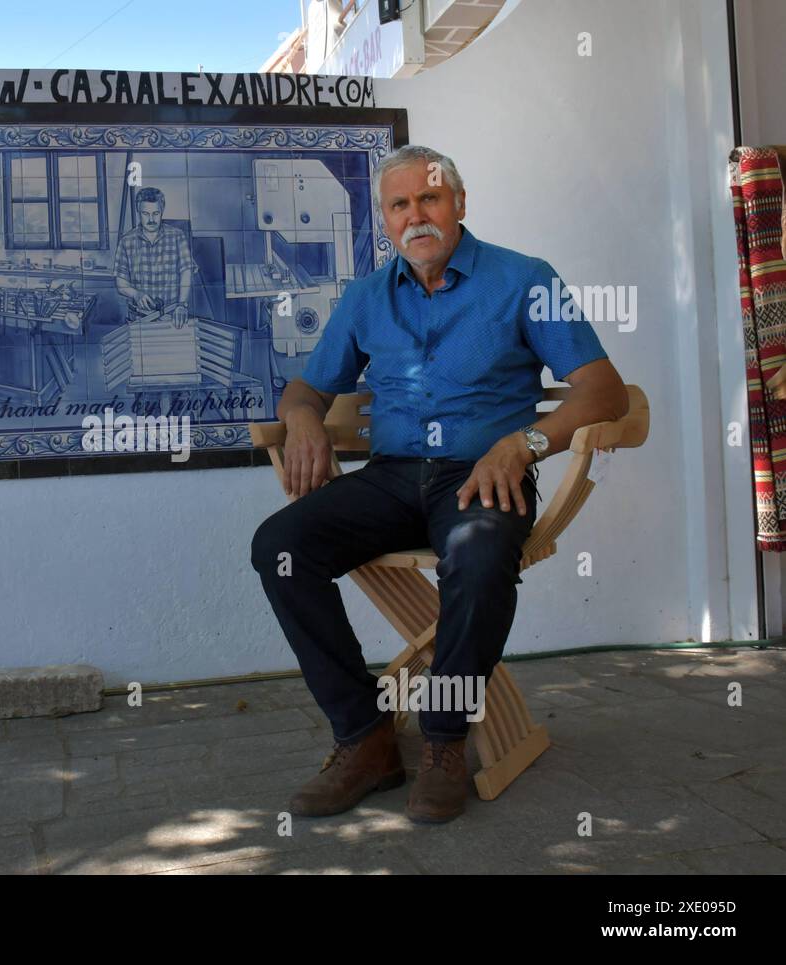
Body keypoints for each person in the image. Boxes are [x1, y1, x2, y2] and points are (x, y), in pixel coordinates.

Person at [251, 144, 630, 824]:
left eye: (430, 198)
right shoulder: (368, 296)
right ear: (387, 220)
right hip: (392, 479)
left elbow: (603, 393)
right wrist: (304, 418)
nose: (416, 215)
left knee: (481, 553)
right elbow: (307, 387)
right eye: (400, 205)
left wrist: (526, 441)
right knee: (280, 545)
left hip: (482, 478)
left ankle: (445, 741)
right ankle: (364, 738)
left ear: (459, 204)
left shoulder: (523, 278)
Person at [115, 186, 197, 328]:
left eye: (156, 213)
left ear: (162, 211)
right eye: (146, 214)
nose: (151, 219)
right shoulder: (126, 241)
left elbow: (186, 272)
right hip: (138, 318)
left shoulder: (177, 236)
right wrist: (136, 294)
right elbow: (121, 284)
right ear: (138, 211)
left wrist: (182, 304)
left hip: (173, 317)